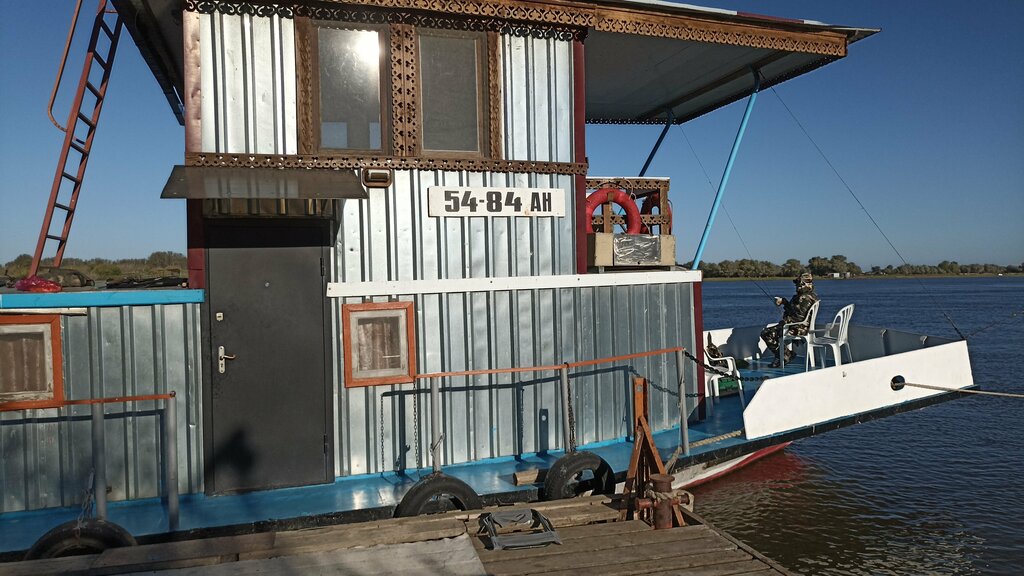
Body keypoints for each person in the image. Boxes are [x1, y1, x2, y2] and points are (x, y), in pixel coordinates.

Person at [761, 273, 819, 368]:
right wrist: (784, 302)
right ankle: (785, 355)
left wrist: (784, 323)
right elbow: (795, 311)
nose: (796, 286)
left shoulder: (804, 298)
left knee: (766, 333)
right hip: (799, 326)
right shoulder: (808, 295)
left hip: (798, 328)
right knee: (774, 331)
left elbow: (798, 317)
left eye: (798, 283)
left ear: (803, 284)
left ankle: (785, 355)